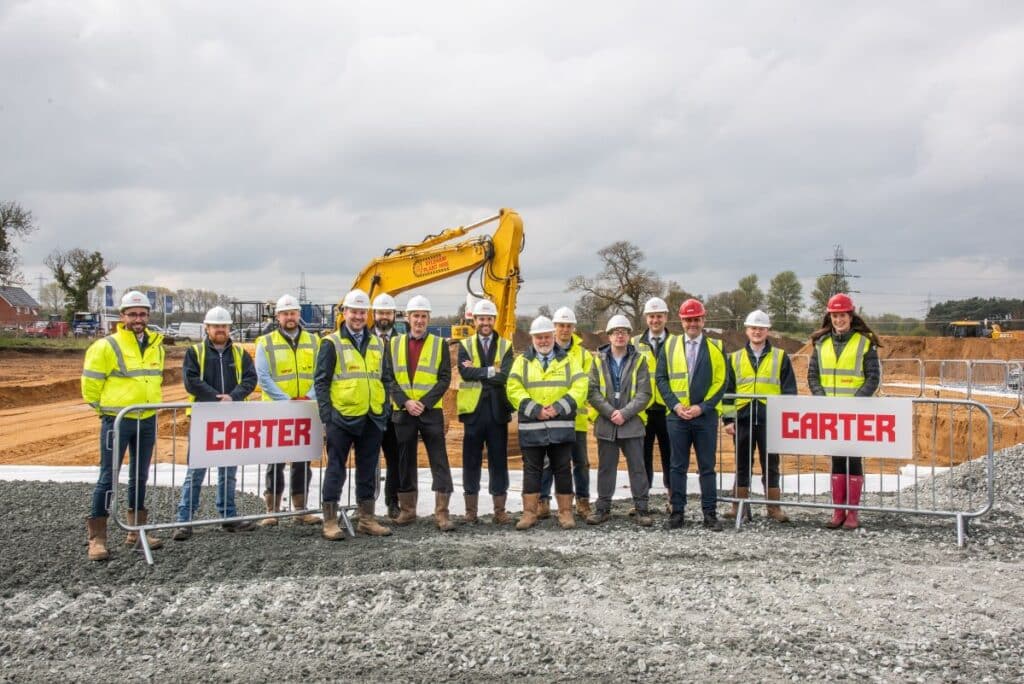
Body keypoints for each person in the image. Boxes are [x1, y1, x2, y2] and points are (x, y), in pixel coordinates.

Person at [82, 290, 166, 561]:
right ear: (123, 317)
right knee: (108, 477)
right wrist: (105, 411)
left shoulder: (156, 345)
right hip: (118, 421)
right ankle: (97, 538)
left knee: (140, 477)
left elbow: (154, 379)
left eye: (142, 313)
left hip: (146, 420)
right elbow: (90, 386)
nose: (138, 318)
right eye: (132, 314)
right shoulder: (107, 346)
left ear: (148, 316)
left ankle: (136, 530)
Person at [172, 306, 259, 539]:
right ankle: (185, 520)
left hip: (231, 418)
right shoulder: (195, 352)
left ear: (229, 328)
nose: (220, 330)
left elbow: (251, 378)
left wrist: (234, 397)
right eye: (216, 326)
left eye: (224, 326)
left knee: (228, 470)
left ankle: (228, 517)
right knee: (196, 470)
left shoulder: (239, 354)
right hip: (205, 417)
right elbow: (191, 381)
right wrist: (216, 398)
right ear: (207, 328)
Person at [314, 289, 392, 540]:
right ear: (344, 313)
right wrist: (327, 417)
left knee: (368, 469)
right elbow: (321, 382)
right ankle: (329, 521)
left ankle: (367, 519)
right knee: (336, 468)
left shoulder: (378, 344)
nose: (358, 316)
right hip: (342, 418)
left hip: (371, 416)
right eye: (354, 311)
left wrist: (383, 408)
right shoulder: (331, 343)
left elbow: (385, 378)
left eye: (362, 312)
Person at [507, 316, 589, 530]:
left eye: (546, 337)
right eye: (539, 337)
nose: (543, 341)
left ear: (552, 337)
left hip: (560, 425)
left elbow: (581, 385)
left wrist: (560, 407)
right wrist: (535, 410)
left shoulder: (568, 361)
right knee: (532, 469)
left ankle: (565, 513)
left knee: (562, 468)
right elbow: (513, 388)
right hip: (533, 425)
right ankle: (529, 513)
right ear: (532, 338)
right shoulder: (522, 361)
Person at [807, 293, 881, 530]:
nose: (839, 320)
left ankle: (853, 514)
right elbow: (812, 376)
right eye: (835, 316)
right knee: (837, 461)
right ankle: (838, 512)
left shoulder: (864, 343)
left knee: (854, 460)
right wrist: (821, 398)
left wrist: (857, 401)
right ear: (830, 317)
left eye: (843, 315)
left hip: (855, 413)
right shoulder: (821, 344)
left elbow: (873, 377)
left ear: (851, 316)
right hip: (831, 413)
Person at [382, 294, 456, 531]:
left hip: (430, 411)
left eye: (423, 316)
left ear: (428, 318)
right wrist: (405, 402)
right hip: (404, 413)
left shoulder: (439, 344)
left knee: (439, 460)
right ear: (407, 318)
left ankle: (442, 513)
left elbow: (445, 377)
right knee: (404, 461)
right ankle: (407, 510)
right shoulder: (393, 344)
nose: (419, 321)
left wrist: (423, 401)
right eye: (416, 316)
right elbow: (388, 378)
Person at [656, 298, 728, 531]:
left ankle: (710, 514)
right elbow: (661, 379)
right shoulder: (669, 346)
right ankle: (677, 512)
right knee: (677, 466)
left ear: (703, 320)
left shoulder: (715, 348)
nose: (692, 324)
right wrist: (675, 405)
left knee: (707, 467)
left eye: (696, 319)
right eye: (688, 320)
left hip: (704, 418)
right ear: (682, 321)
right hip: (677, 417)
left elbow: (721, 381)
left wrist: (703, 407)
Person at [721, 310, 798, 523]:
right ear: (746, 330)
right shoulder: (734, 358)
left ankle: (773, 508)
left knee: (771, 463)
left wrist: (785, 419)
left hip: (769, 419)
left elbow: (789, 391)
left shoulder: (780, 357)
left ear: (767, 331)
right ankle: (739, 507)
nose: (757, 332)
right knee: (741, 463)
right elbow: (728, 390)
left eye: (761, 328)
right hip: (743, 418)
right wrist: (728, 419)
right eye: (753, 328)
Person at [254, 294, 319, 527]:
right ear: (278, 316)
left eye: (293, 313)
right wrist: (287, 399)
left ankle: (300, 509)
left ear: (299, 315)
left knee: (302, 461)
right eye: (285, 313)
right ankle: (272, 510)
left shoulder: (314, 341)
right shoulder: (266, 342)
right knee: (275, 460)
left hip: (304, 409)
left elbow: (320, 374)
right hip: (278, 410)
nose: (289, 317)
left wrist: (309, 397)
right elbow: (263, 376)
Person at [586, 315, 653, 526]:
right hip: (607, 424)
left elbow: (644, 393)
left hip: (631, 423)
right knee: (606, 467)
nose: (620, 335)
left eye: (624, 331)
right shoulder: (597, 361)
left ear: (629, 336)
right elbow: (592, 391)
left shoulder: (640, 360)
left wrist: (624, 413)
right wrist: (609, 412)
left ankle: (642, 509)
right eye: (616, 332)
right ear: (609, 336)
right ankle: (603, 509)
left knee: (637, 467)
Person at [456, 299, 514, 524]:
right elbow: (465, 374)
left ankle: (500, 511)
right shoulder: (465, 344)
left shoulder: (505, 345)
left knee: (499, 461)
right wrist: (492, 371)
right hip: (474, 412)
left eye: (489, 319)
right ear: (474, 320)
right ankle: (471, 511)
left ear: (494, 320)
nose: (485, 322)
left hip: (498, 411)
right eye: (481, 319)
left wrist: (479, 371)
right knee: (471, 461)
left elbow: (505, 375)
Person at [538, 306, 593, 519]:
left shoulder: (583, 355)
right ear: (554, 327)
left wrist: (565, 405)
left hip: (576, 419)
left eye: (568, 325)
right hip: (551, 418)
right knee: (549, 461)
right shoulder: (545, 351)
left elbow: (586, 384)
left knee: (581, 462)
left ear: (574, 328)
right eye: (561, 325)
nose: (564, 329)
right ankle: (543, 502)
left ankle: (583, 502)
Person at [632, 296, 675, 510]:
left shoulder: (677, 343)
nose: (655, 320)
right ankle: (642, 502)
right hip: (643, 410)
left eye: (659, 316)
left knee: (671, 455)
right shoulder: (635, 344)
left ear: (666, 317)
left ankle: (672, 499)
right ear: (646, 318)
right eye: (651, 316)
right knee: (642, 456)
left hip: (669, 409)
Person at [370, 292, 401, 520]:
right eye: (381, 312)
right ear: (374, 314)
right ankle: (367, 505)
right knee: (368, 458)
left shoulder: (402, 341)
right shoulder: (364, 340)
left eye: (388, 313)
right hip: (370, 410)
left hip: (394, 411)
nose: (384, 317)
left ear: (394, 315)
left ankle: (393, 502)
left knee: (395, 459)